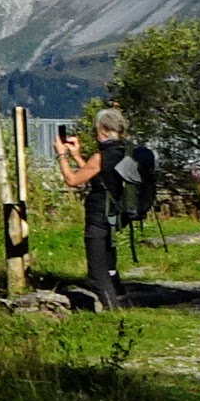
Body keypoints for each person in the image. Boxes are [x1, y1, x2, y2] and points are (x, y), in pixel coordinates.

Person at [55, 105, 149, 308]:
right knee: (108, 265)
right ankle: (122, 299)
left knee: (97, 274)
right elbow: (101, 179)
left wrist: (62, 155)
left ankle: (114, 310)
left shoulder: (101, 157)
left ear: (105, 131)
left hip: (98, 218)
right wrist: (77, 155)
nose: (96, 135)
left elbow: (72, 180)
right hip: (115, 216)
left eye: (97, 131)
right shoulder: (125, 153)